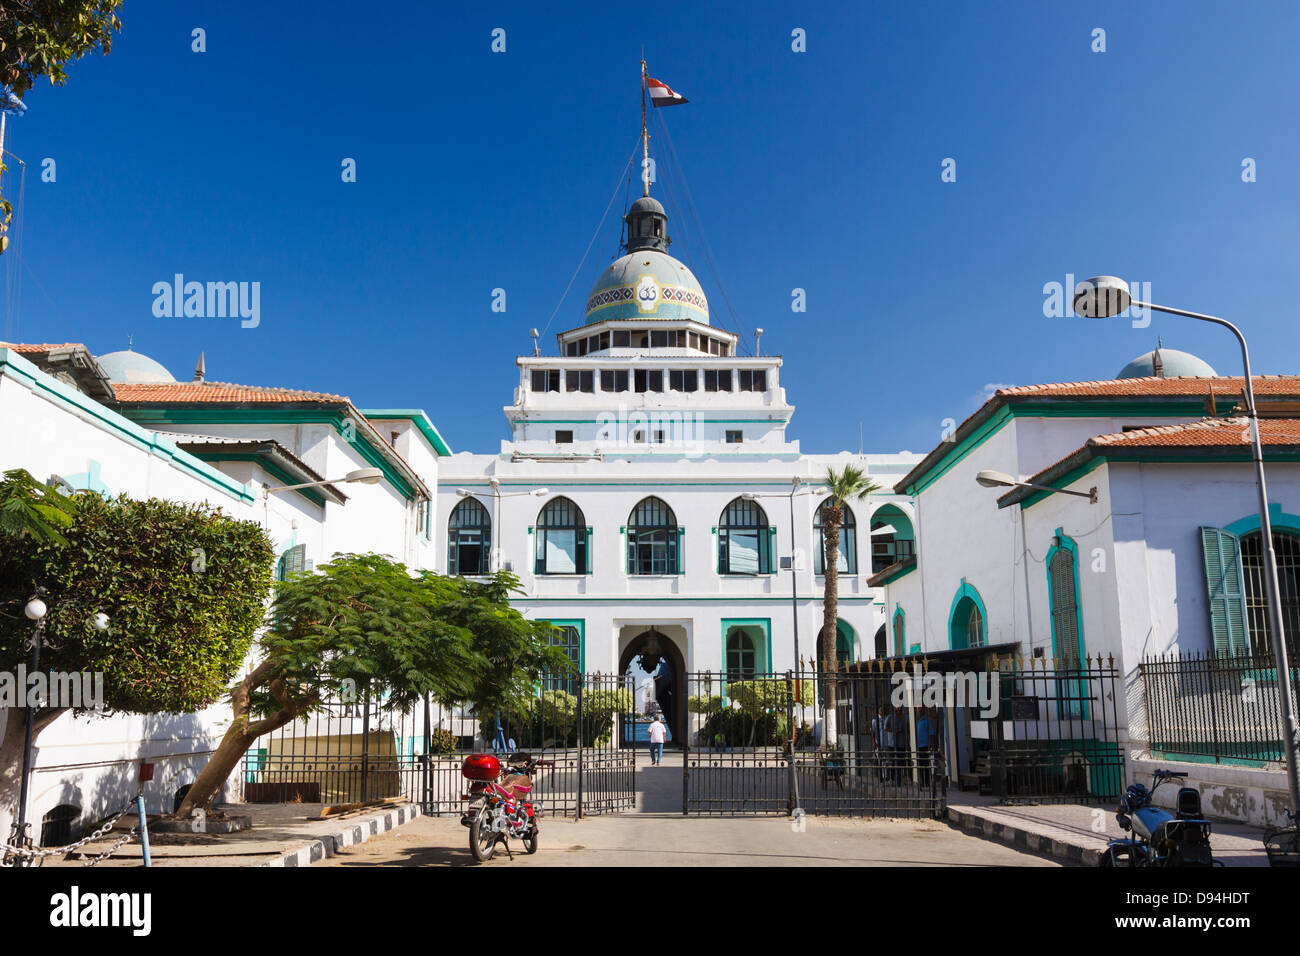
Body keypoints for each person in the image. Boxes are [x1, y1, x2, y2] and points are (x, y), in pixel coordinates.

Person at [870, 703, 892, 781]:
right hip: (879, 743)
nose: (882, 711)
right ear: (878, 711)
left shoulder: (887, 719)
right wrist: (874, 742)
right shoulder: (875, 720)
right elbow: (873, 732)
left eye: (883, 709)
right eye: (880, 709)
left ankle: (886, 776)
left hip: (887, 743)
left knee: (887, 761)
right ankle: (882, 776)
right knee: (881, 760)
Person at [914, 707, 935, 787]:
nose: (919, 710)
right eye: (918, 709)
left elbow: (931, 733)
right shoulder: (915, 720)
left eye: (920, 709)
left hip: (925, 746)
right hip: (917, 747)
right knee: (919, 765)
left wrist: (932, 746)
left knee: (925, 765)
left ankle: (927, 783)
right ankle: (921, 782)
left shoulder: (927, 720)